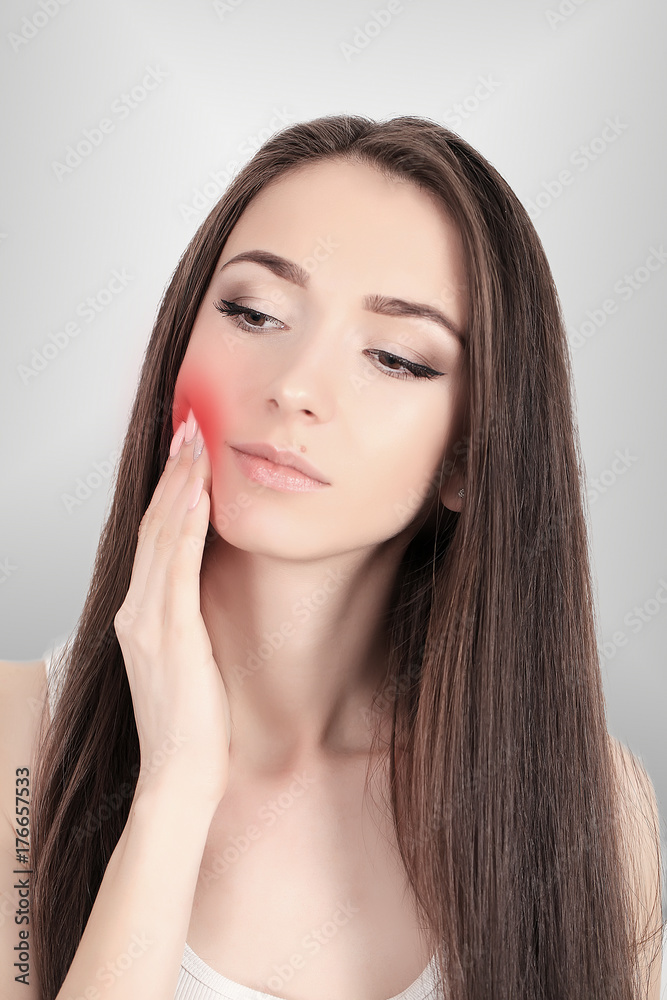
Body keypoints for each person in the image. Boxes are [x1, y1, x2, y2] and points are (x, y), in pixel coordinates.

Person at [1, 114, 663, 1000]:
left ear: (467, 459)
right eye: (252, 312)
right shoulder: (15, 747)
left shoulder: (590, 803)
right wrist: (174, 787)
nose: (296, 386)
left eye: (394, 358)